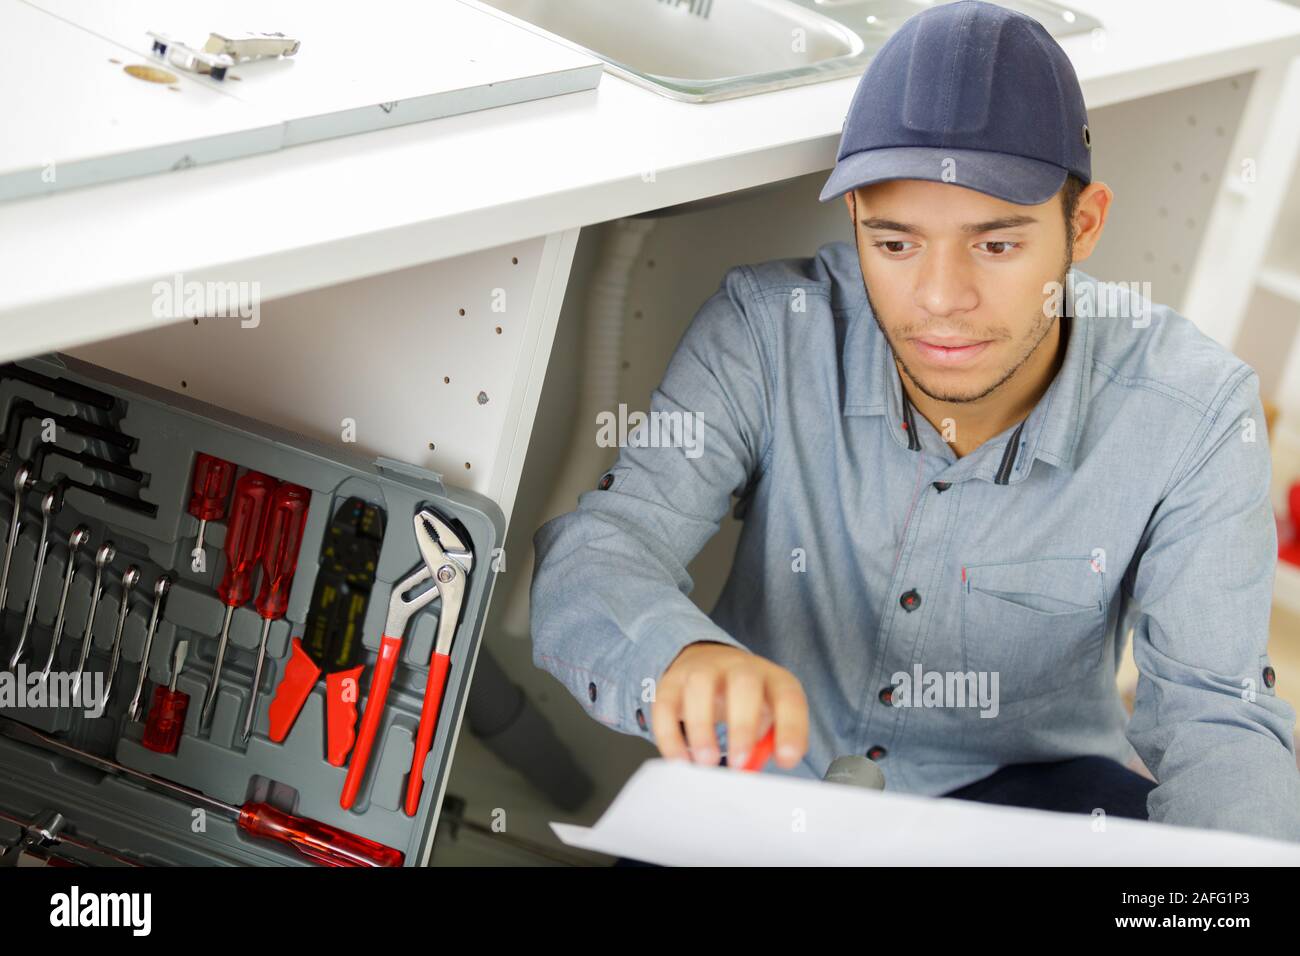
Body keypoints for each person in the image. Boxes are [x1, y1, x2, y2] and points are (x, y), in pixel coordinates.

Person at [529, 0, 1300, 842]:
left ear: (1082, 227)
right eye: (896, 244)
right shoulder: (767, 329)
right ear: (855, 219)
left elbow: (1218, 717)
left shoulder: (1195, 413)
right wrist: (675, 654)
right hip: (767, 793)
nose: (940, 300)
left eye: (996, 245)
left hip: (1028, 802)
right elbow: (601, 551)